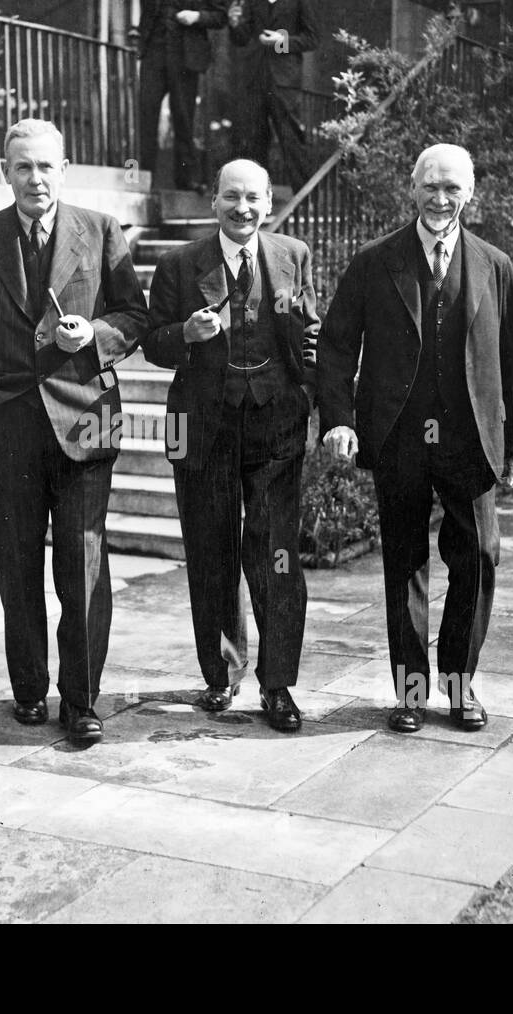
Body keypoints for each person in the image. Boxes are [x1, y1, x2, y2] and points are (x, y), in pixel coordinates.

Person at [0, 118, 148, 745]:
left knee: (81, 570)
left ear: (64, 169)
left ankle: (80, 701)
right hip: (4, 431)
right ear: (5, 172)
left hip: (83, 422)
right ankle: (28, 688)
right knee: (15, 565)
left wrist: (97, 337)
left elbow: (136, 315)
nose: (36, 179)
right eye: (23, 167)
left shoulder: (102, 231)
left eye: (46, 166)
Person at [317, 143, 513, 734]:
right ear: (412, 190)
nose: (441, 199)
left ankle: (460, 687)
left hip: (470, 441)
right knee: (404, 563)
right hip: (399, 438)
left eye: (452, 188)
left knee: (480, 558)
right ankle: (411, 691)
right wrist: (338, 419)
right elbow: (335, 346)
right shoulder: (374, 261)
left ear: (470, 194)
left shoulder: (496, 264)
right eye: (430, 187)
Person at [142, 157, 318, 732]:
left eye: (253, 199)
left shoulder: (293, 256)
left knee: (275, 555)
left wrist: (321, 394)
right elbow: (152, 344)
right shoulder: (178, 264)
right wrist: (184, 335)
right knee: (212, 552)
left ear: (268, 203)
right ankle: (221, 674)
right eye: (231, 197)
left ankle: (278, 685)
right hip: (203, 425)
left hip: (275, 425)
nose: (242, 209)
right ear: (213, 201)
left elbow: (310, 331)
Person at [93, 0, 227, 190]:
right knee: (146, 116)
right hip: (154, 57)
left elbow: (221, 16)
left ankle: (186, 181)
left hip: (186, 61)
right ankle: (143, 178)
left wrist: (197, 17)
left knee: (183, 119)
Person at [227, 0, 320, 187]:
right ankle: (258, 198)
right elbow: (242, 37)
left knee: (291, 138)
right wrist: (235, 22)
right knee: (254, 139)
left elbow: (312, 38)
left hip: (284, 80)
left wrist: (282, 42)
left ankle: (304, 199)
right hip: (256, 77)